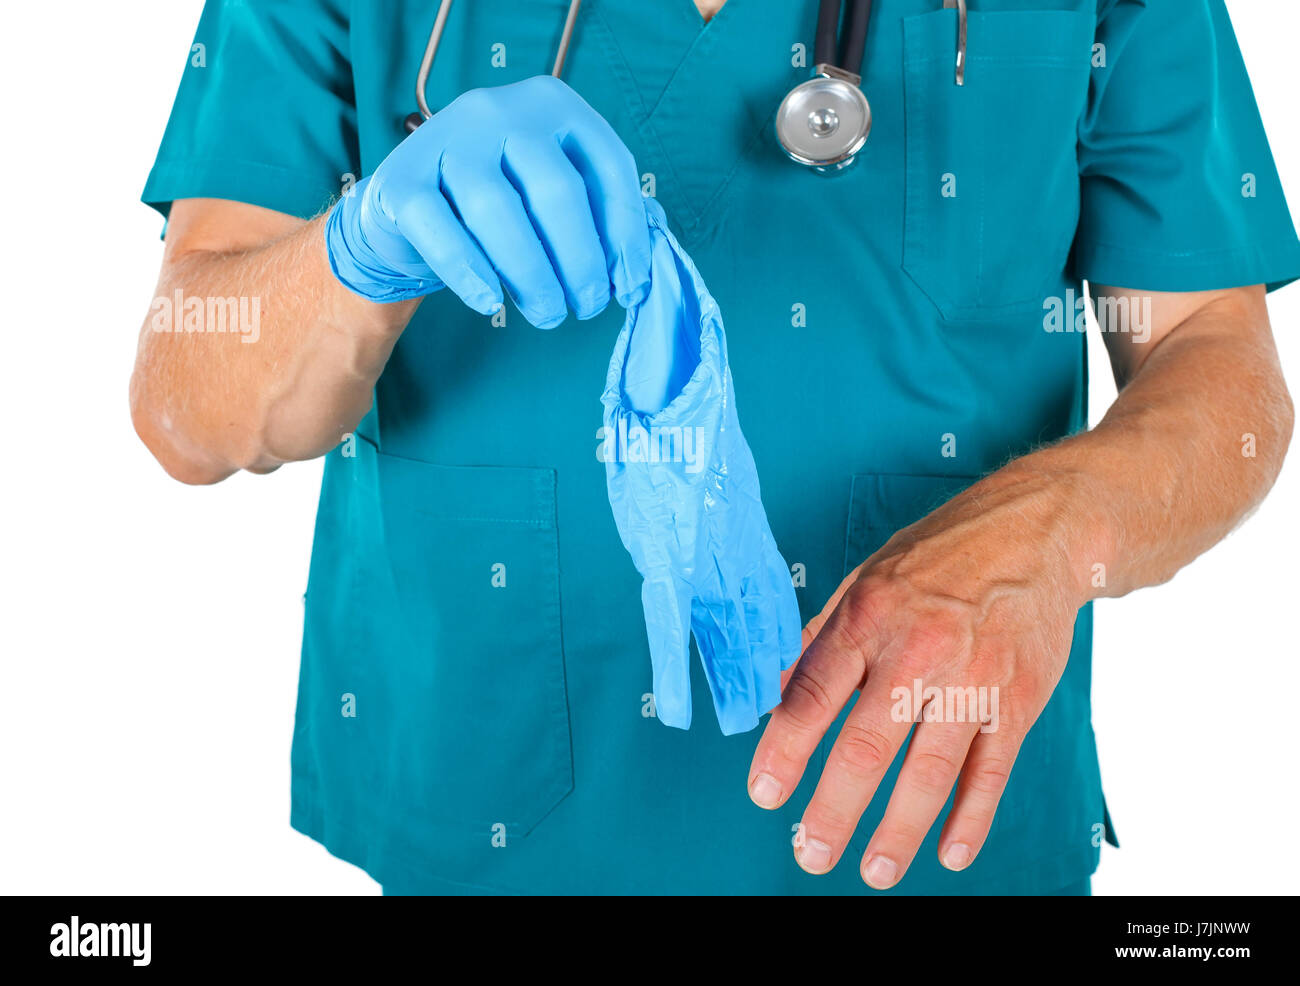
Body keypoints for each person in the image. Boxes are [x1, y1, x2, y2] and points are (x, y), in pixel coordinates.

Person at [131, 0, 1299, 895]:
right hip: (477, 828)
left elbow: (1217, 357)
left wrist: (1062, 527)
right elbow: (190, 406)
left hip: (945, 824)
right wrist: (361, 244)